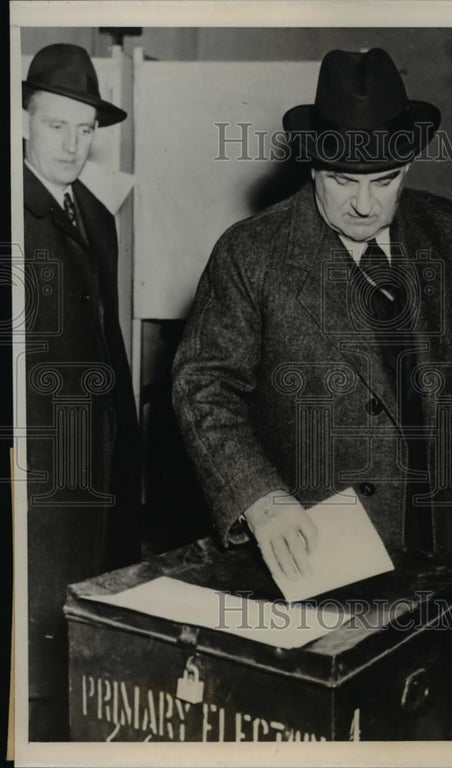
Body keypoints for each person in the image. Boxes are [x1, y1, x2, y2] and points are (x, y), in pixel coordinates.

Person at [173, 48, 452, 589]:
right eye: (342, 180)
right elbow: (203, 388)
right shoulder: (251, 252)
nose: (364, 204)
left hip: (443, 526)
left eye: (385, 181)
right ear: (313, 168)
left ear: (407, 167)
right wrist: (262, 500)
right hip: (317, 537)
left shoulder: (448, 232)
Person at [23, 43, 140, 740]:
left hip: (101, 464)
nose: (71, 145)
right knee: (37, 662)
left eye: (85, 129)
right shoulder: (11, 209)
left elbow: (111, 345)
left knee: (93, 649)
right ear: (26, 122)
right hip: (38, 477)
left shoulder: (97, 213)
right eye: (55, 126)